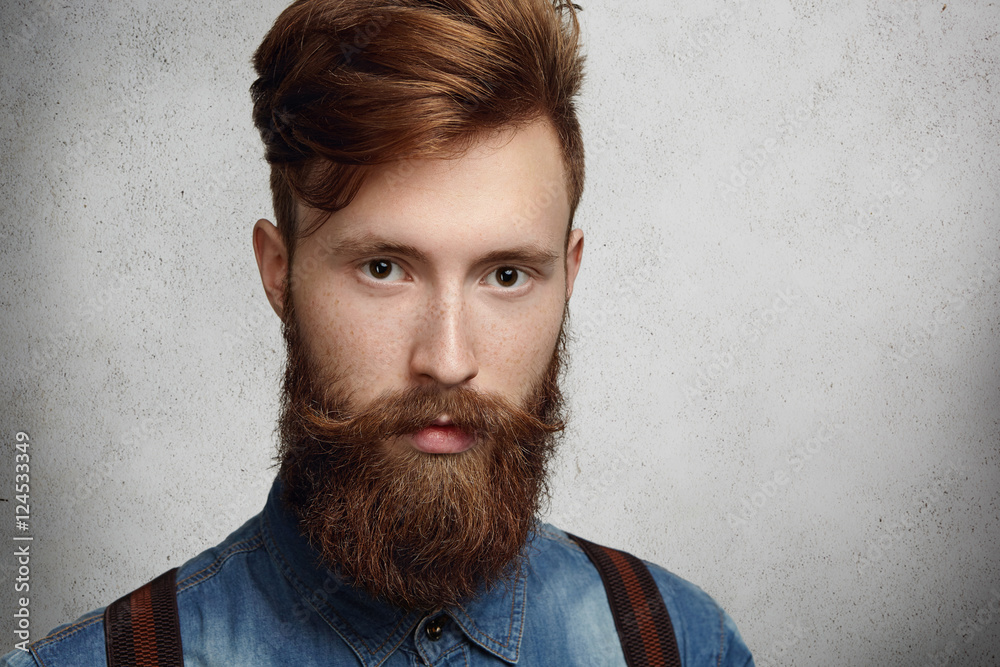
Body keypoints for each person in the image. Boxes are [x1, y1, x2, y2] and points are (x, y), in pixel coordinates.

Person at [3, 0, 754, 664]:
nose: (449, 361)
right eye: (386, 267)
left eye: (506, 275)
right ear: (279, 270)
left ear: (570, 274)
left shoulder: (684, 645)